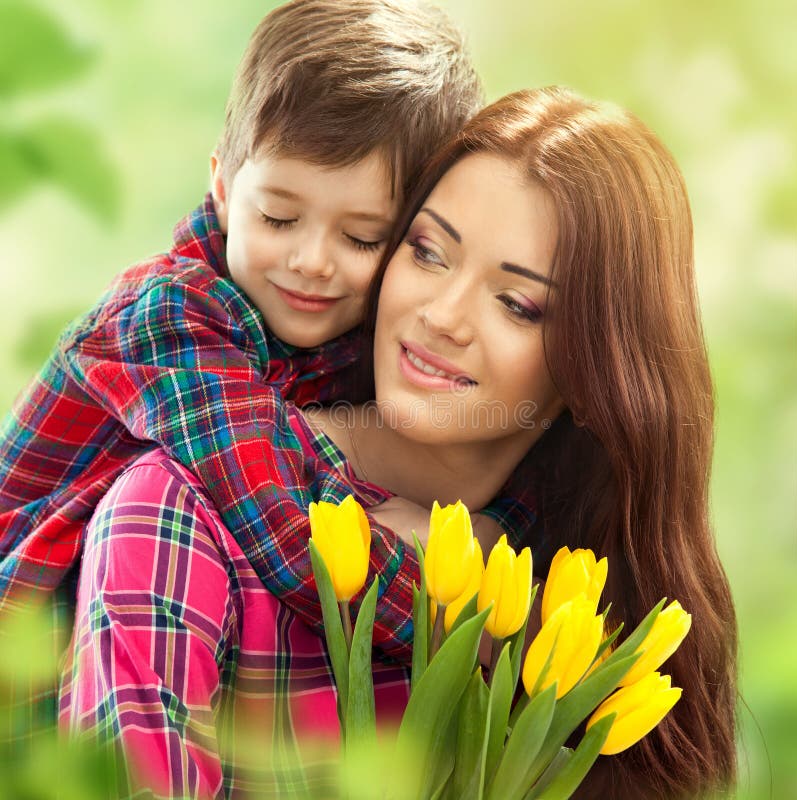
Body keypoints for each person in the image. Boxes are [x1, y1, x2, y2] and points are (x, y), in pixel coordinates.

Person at [65, 86, 737, 800]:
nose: (442, 315)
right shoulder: (178, 511)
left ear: (598, 369)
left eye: (518, 304)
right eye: (427, 252)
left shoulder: (572, 609)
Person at [0, 0, 522, 650]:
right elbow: (285, 530)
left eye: (362, 238)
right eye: (278, 218)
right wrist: (458, 587)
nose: (311, 263)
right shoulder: (168, 316)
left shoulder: (363, 332)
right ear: (221, 184)